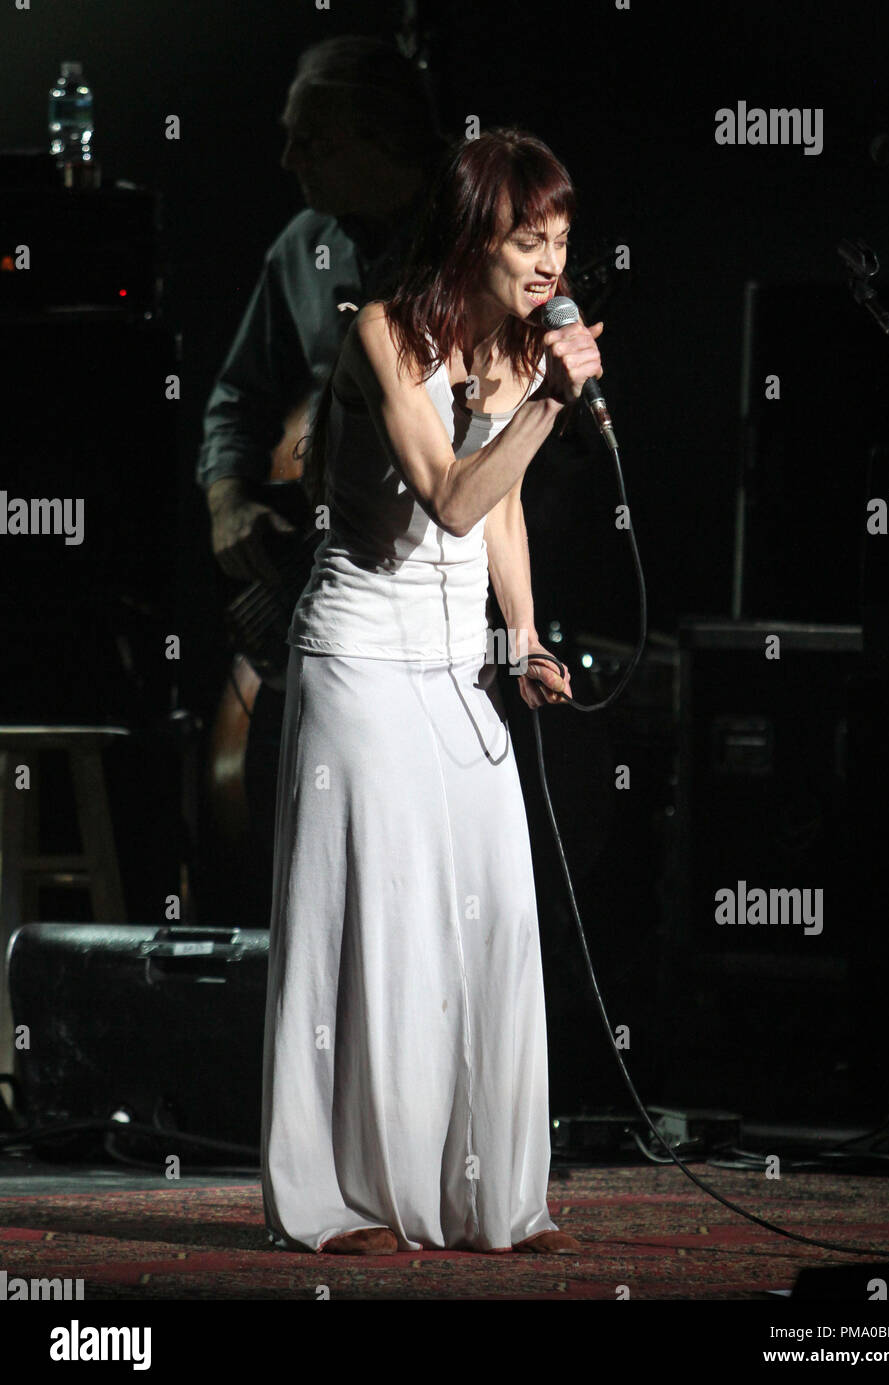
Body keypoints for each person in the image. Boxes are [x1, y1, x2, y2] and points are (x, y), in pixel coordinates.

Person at [260, 127, 604, 1256]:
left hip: (458, 665)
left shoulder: (511, 348)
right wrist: (551, 406)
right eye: (529, 240)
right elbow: (452, 497)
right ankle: (339, 1200)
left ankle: (491, 1196)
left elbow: (500, 512)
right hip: (361, 658)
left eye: (562, 239)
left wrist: (523, 634)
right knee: (377, 932)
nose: (553, 263)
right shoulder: (383, 334)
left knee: (495, 916)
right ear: (474, 237)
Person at [197, 36, 448, 875]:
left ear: (386, 143)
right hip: (321, 590)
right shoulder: (301, 248)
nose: (287, 158)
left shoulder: (472, 243)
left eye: (316, 141)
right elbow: (236, 398)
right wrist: (231, 503)